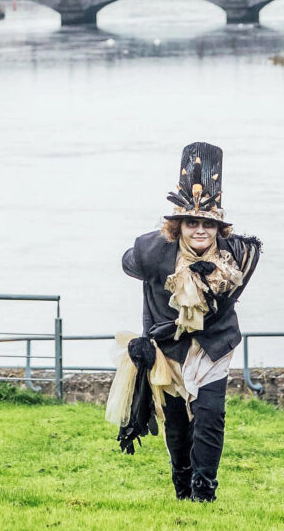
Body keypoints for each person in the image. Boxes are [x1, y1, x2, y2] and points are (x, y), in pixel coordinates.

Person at [108, 142, 261, 502]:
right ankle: (182, 487)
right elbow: (128, 265)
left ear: (218, 228)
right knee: (177, 426)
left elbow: (239, 282)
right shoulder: (153, 252)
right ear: (178, 225)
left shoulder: (235, 255)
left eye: (208, 223)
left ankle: (204, 493)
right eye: (192, 222)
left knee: (210, 417)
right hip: (169, 350)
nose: (200, 230)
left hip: (213, 346)